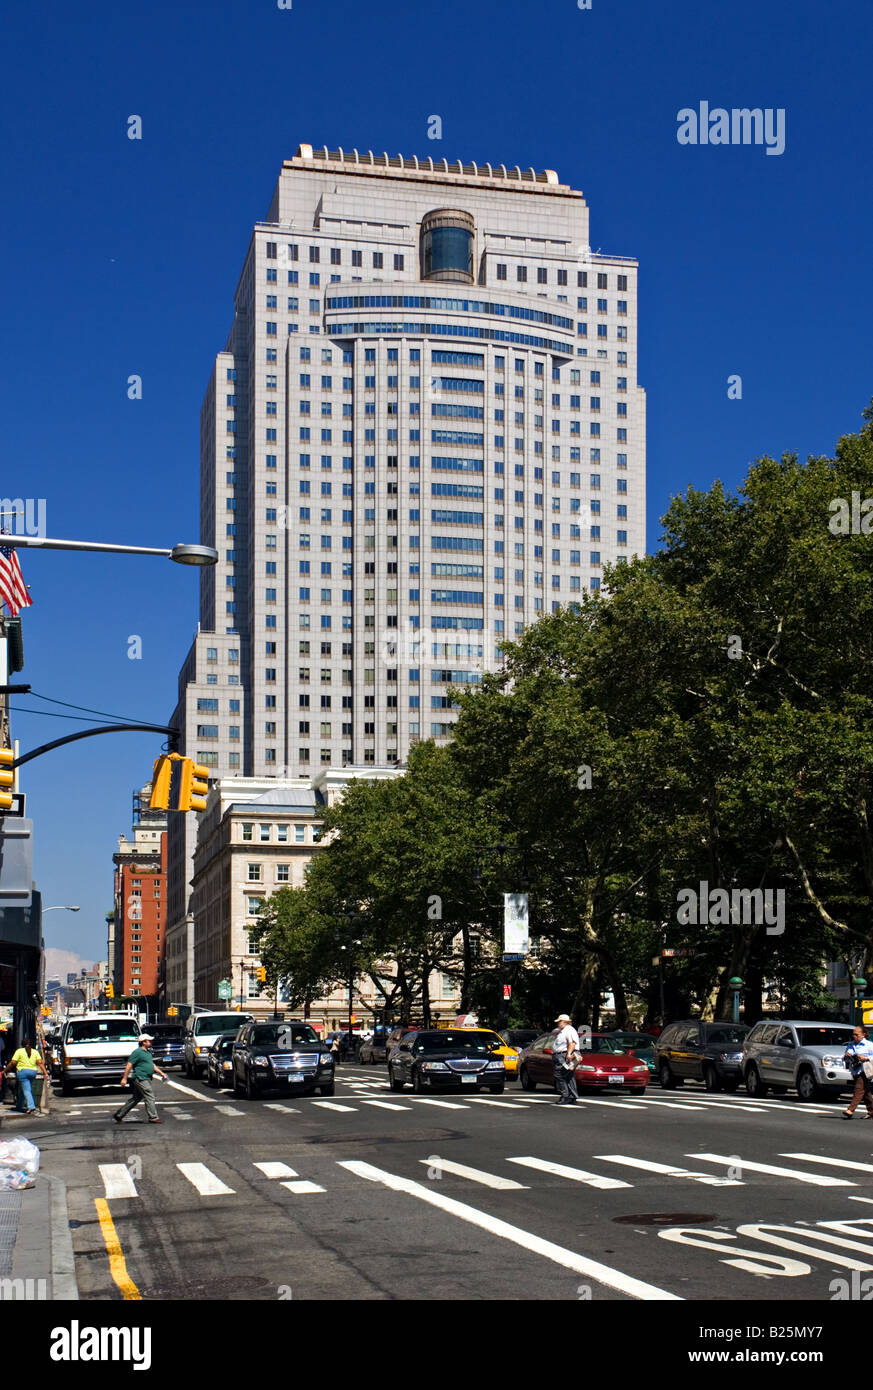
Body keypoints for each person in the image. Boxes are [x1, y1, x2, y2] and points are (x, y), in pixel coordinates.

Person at [114, 1033, 167, 1124]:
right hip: (140, 1077)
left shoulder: (148, 1053)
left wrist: (161, 1073)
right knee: (149, 1095)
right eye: (149, 1041)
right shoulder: (137, 1052)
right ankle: (153, 1117)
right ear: (143, 1042)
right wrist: (124, 1078)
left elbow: (152, 1065)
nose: (150, 1042)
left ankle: (119, 1114)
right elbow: (129, 1065)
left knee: (136, 1098)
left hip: (147, 1077)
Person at [5, 1036, 50, 1115]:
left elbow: (13, 1063)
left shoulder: (19, 1051)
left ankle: (31, 1106)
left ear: (22, 1045)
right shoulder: (35, 1052)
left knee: (26, 1090)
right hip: (33, 1072)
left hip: (23, 1073)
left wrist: (5, 1070)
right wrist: (46, 1073)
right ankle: (19, 1106)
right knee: (24, 1089)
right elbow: (40, 1063)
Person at [843, 1024, 873, 1119]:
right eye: (853, 1034)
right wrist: (846, 1056)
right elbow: (845, 1058)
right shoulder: (851, 1044)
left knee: (859, 1089)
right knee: (866, 1091)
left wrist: (866, 1058)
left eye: (857, 1034)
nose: (854, 1036)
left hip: (865, 1070)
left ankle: (850, 1110)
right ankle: (871, 1110)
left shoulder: (869, 1045)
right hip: (855, 1069)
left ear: (863, 1035)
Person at [552, 1012, 580, 1105]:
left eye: (559, 1022)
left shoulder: (568, 1030)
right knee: (568, 1076)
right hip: (563, 1055)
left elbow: (572, 1043)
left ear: (564, 1022)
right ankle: (572, 1096)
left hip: (564, 1055)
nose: (558, 1023)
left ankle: (565, 1095)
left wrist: (568, 1054)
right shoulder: (564, 1030)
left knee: (559, 1074)